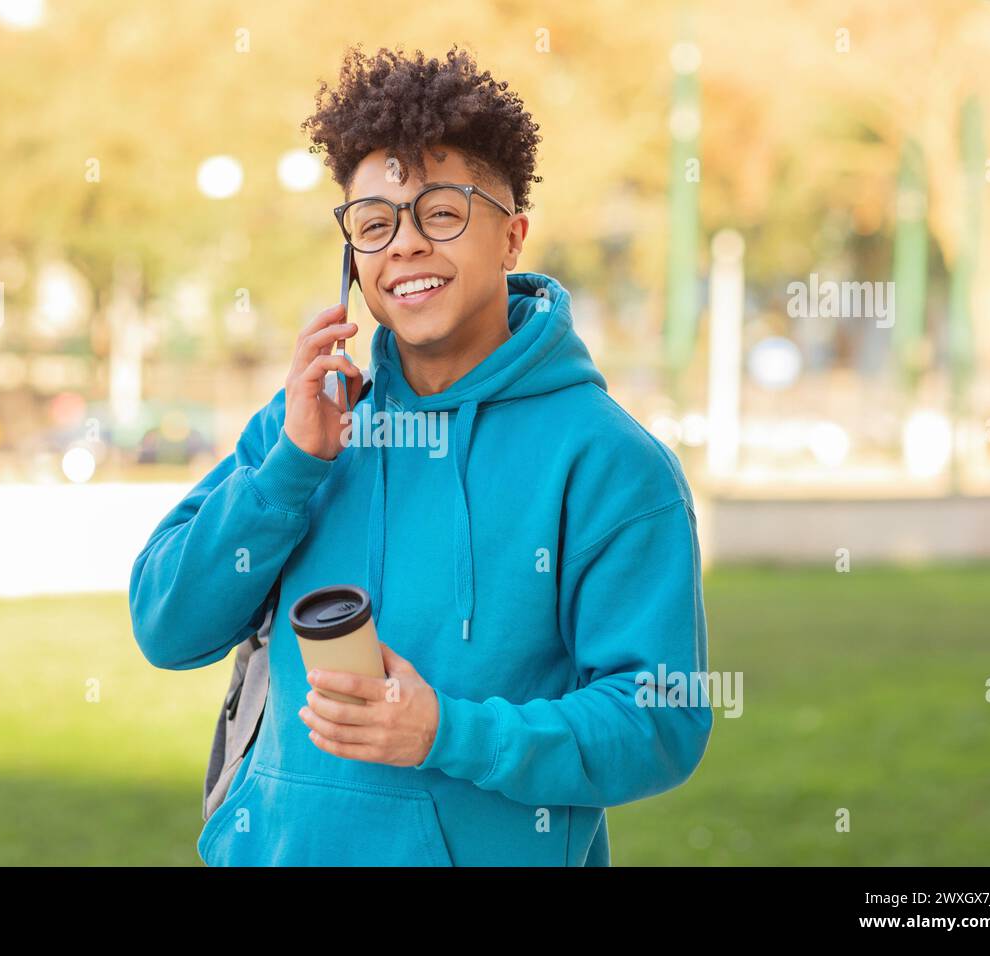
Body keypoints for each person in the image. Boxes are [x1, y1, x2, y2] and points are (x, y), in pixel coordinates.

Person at [129, 43, 712, 866]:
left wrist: (449, 733)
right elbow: (165, 624)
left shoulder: (612, 463)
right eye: (374, 225)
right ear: (351, 262)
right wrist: (291, 469)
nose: (403, 244)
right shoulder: (306, 426)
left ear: (512, 237)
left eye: (440, 212)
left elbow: (660, 719)